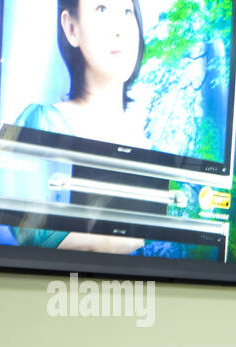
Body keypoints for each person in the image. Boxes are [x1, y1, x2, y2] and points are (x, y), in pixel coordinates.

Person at [12, 0, 148, 253]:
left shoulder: (152, 135)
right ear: (71, 27)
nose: (120, 29)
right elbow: (32, 234)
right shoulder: (43, 124)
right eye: (102, 9)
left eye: (128, 12)